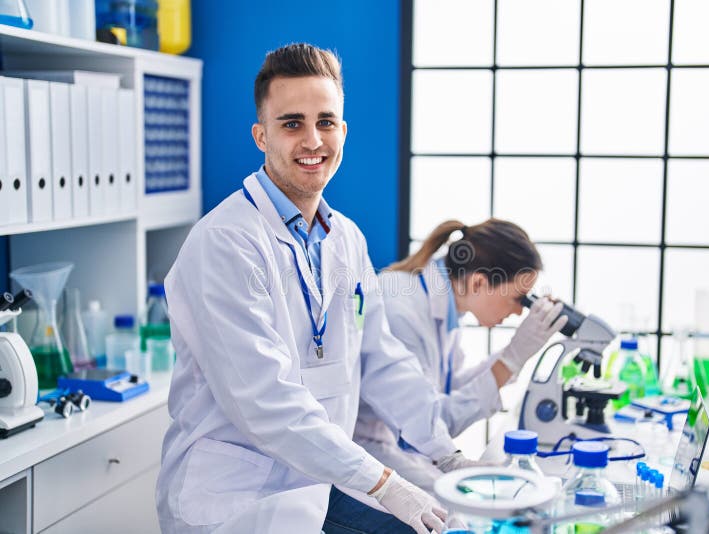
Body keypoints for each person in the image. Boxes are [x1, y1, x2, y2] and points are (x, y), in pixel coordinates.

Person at [155, 43, 479, 534]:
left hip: (316, 484)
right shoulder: (225, 243)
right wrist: (385, 483)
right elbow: (266, 400)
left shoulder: (345, 238)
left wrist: (446, 453)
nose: (312, 140)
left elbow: (380, 360)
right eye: (292, 124)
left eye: (325, 122)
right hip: (235, 500)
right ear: (261, 136)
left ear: (343, 131)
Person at [352, 218, 568, 492]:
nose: (518, 311)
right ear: (478, 283)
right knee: (451, 509)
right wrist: (512, 357)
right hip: (367, 448)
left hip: (403, 446)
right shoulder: (401, 310)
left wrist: (517, 353)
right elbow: (433, 419)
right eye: (518, 298)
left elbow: (448, 391)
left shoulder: (446, 305)